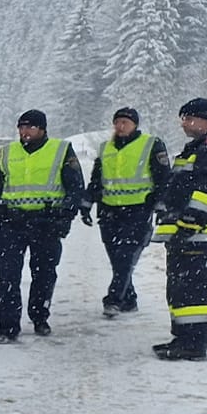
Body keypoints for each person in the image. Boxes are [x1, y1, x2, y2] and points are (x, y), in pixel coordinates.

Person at [0, 109, 85, 343]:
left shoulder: (60, 150)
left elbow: (75, 188)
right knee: (8, 277)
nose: (25, 132)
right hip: (11, 224)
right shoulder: (8, 153)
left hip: (46, 224)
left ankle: (39, 317)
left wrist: (64, 219)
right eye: (21, 127)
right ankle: (7, 327)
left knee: (44, 275)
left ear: (42, 129)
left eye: (30, 127)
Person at [152, 97, 207, 361]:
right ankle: (183, 338)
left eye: (189, 118)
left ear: (205, 120)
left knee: (190, 290)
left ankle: (193, 344)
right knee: (180, 288)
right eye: (183, 119)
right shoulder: (199, 147)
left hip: (198, 233)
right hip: (188, 233)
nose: (184, 124)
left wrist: (190, 221)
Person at [82, 107, 169, 319]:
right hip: (109, 210)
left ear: (135, 125)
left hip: (138, 210)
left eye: (125, 122)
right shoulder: (105, 148)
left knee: (125, 256)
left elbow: (164, 177)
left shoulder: (151, 144)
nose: (121, 126)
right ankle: (129, 299)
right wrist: (86, 203)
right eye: (118, 122)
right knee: (116, 258)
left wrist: (160, 204)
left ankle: (113, 300)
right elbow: (97, 179)